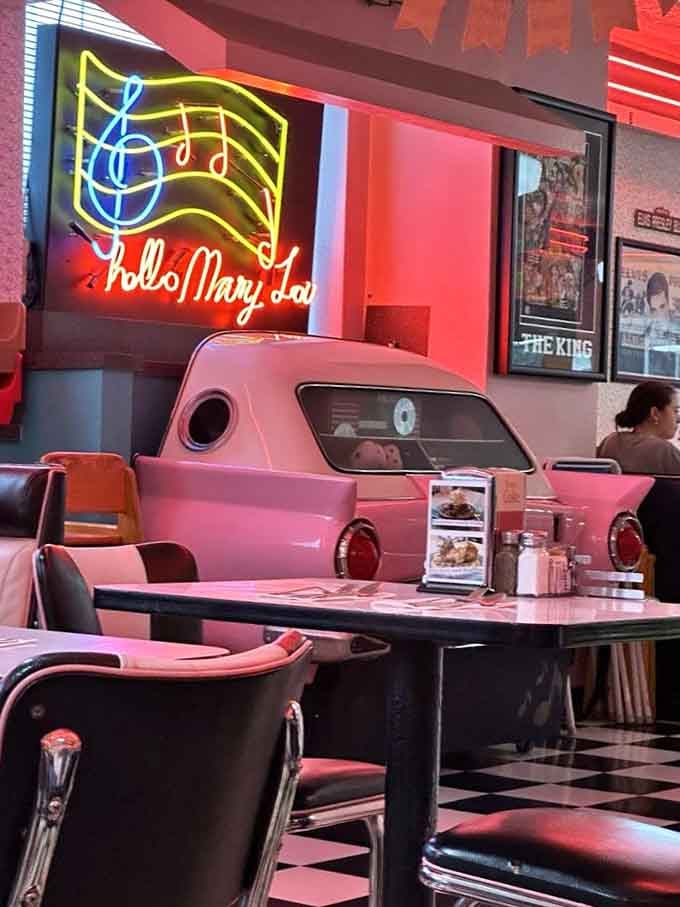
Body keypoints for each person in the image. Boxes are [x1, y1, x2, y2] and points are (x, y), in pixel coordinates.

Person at [597, 380, 680, 474]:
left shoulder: (610, 441)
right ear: (655, 413)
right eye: (675, 411)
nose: (678, 419)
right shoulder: (664, 450)